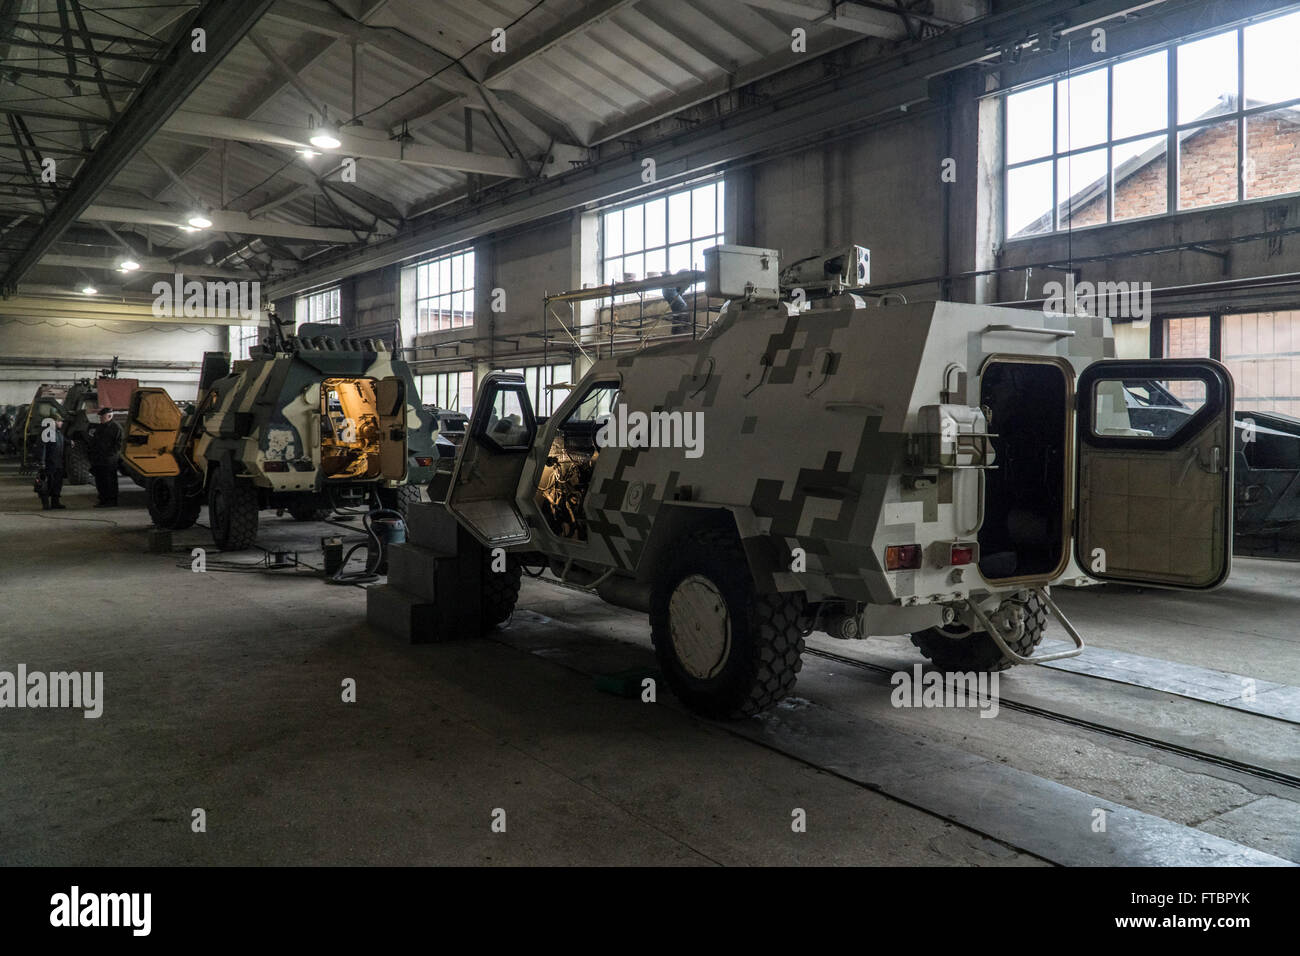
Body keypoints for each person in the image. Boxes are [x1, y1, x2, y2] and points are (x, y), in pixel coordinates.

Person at [89, 407, 124, 507]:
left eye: (102, 416)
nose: (100, 418)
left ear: (109, 416)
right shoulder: (100, 427)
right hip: (98, 460)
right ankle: (103, 500)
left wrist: (109, 455)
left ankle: (111, 501)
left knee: (110, 481)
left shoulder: (116, 427)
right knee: (100, 481)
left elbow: (119, 444)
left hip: (109, 460)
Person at [39, 415, 66, 510]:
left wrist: (69, 442)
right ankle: (46, 504)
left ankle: (55, 502)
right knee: (47, 485)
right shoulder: (47, 433)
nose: (61, 423)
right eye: (59, 421)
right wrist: (42, 463)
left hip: (58, 463)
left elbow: (62, 442)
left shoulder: (58, 433)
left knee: (57, 484)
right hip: (50, 464)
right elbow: (43, 448)